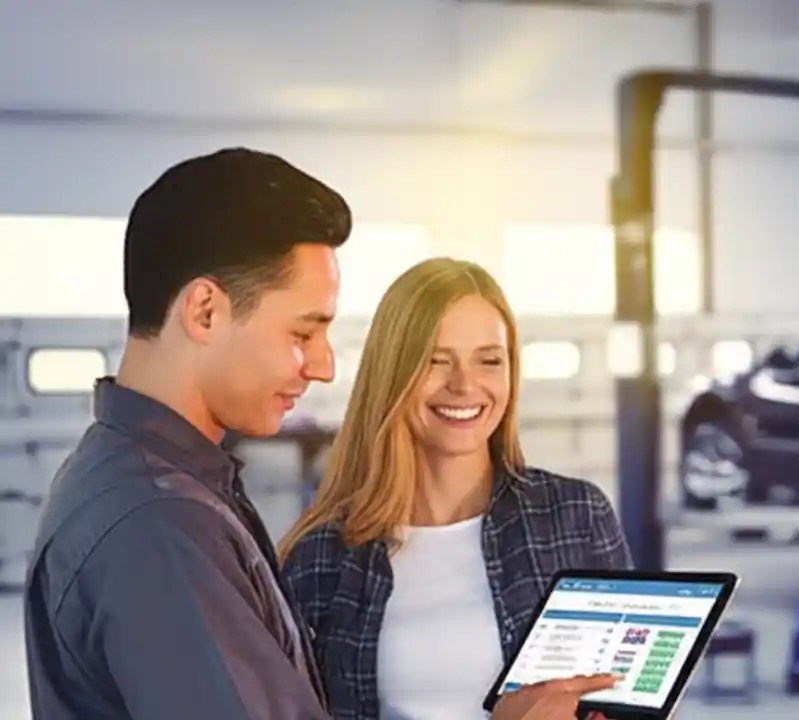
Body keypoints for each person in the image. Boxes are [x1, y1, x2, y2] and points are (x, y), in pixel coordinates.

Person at [22, 149, 612, 720]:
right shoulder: (161, 525)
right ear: (204, 311)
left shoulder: (160, 489)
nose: (325, 366)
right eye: (303, 333)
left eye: (490, 360)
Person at [278, 257, 632, 720]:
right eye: (436, 361)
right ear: (392, 374)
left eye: (489, 361)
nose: (465, 385)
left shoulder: (576, 517)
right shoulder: (322, 556)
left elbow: (627, 703)